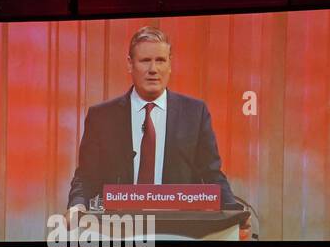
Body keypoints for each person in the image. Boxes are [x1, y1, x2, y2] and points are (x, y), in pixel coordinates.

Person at [66, 26, 244, 229]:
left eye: (160, 60)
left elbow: (212, 174)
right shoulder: (102, 116)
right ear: (130, 64)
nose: (153, 69)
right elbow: (87, 176)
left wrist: (233, 212)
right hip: (118, 231)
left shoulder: (195, 112)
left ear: (170, 64)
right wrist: (77, 206)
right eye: (145, 61)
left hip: (179, 233)